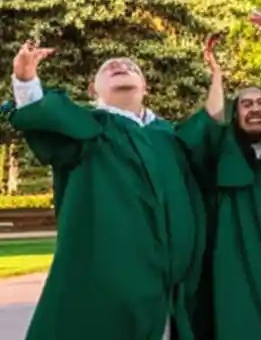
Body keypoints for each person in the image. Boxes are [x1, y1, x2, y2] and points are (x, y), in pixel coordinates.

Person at [9, 41, 205, 339]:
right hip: (101, 282)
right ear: (92, 90)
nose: (121, 67)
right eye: (109, 68)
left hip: (163, 289)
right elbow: (45, 118)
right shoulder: (86, 129)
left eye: (131, 67)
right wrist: (25, 81)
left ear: (145, 87)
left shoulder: (168, 138)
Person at [178, 13, 261, 340]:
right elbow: (205, 129)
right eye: (245, 104)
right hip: (233, 270)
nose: (253, 108)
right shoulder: (223, 159)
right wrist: (217, 77)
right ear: (235, 116)